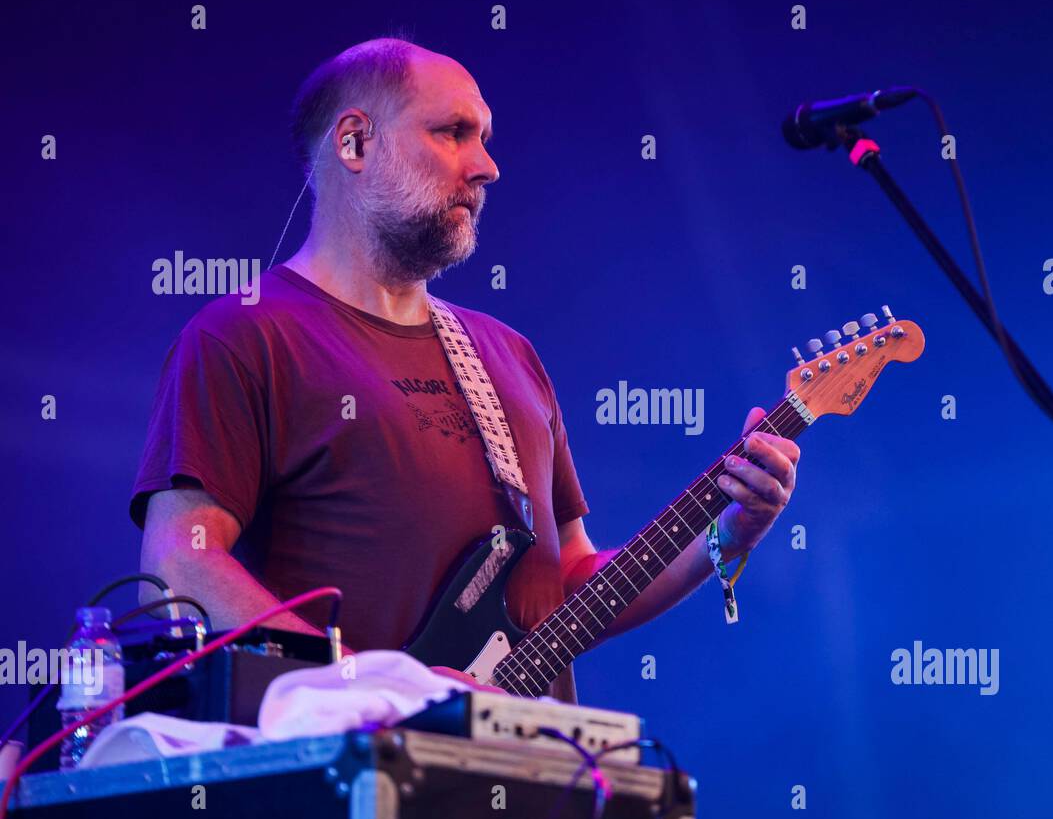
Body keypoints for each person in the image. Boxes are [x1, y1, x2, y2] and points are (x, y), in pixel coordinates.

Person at [131, 38, 799, 702]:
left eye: (484, 136)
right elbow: (181, 562)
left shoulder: (509, 354)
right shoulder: (244, 335)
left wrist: (724, 531)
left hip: (533, 781)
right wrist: (370, 688)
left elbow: (563, 581)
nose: (487, 167)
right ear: (355, 143)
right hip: (339, 782)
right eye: (453, 133)